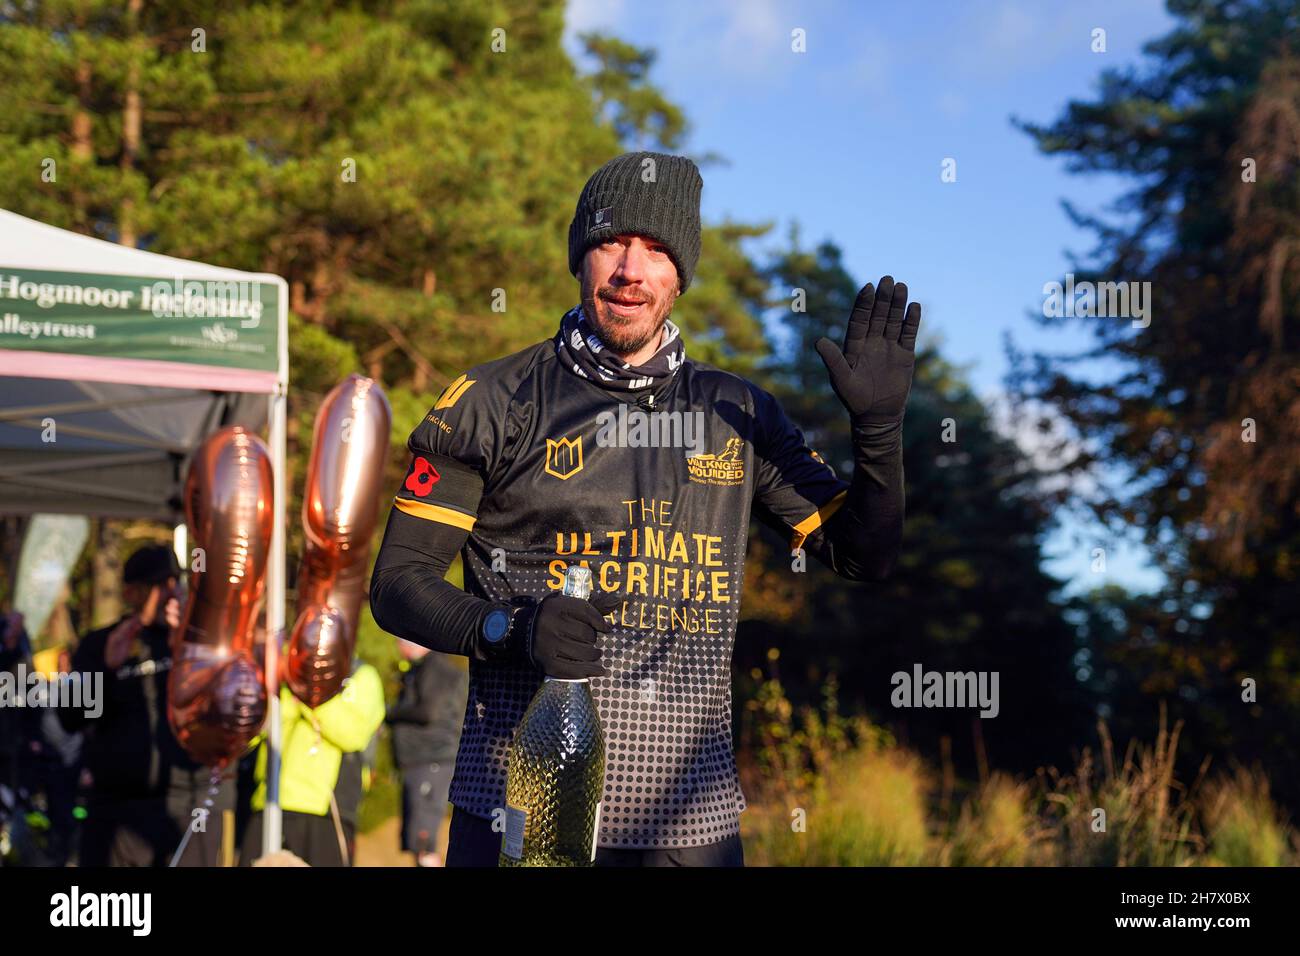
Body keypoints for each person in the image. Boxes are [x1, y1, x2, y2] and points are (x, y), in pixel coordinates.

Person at [370, 151, 921, 867]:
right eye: (612, 243)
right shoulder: (489, 400)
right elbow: (397, 586)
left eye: (658, 251)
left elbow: (864, 555)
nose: (633, 269)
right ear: (579, 256)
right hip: (515, 809)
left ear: (681, 275)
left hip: (687, 830)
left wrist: (877, 434)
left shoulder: (739, 412)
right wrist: (510, 626)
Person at [61, 543, 234, 867]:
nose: (170, 593)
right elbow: (69, 717)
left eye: (175, 583)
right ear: (131, 593)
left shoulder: (197, 643)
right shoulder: (100, 643)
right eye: (159, 585)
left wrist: (188, 642)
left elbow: (224, 705)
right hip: (114, 810)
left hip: (183, 805)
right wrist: (105, 669)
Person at [241, 658, 384, 867]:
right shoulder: (281, 667)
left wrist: (308, 695)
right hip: (270, 801)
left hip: (325, 810)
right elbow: (255, 728)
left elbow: (353, 733)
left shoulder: (361, 674)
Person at [387, 639, 467, 866]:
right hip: (419, 761)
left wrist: (391, 714)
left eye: (402, 639)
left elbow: (428, 712)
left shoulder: (435, 667)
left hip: (431, 760)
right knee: (417, 841)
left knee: (424, 843)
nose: (398, 645)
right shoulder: (421, 668)